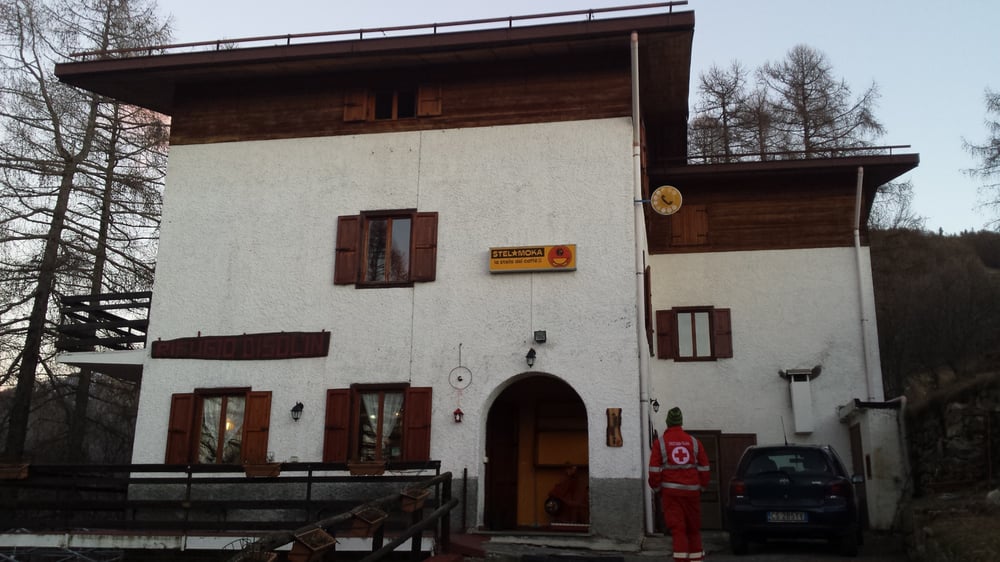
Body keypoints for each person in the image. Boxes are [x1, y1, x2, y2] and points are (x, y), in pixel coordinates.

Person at [648, 407, 711, 562]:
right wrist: (701, 487)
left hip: (671, 494)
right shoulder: (694, 442)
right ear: (680, 422)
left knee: (678, 531)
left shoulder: (660, 443)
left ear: (668, 423)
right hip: (692, 493)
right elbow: (705, 469)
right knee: (694, 530)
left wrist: (657, 489)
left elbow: (654, 471)